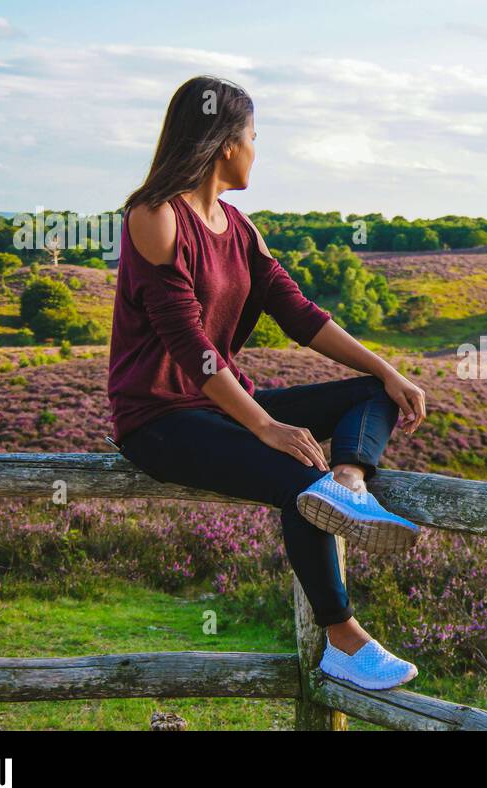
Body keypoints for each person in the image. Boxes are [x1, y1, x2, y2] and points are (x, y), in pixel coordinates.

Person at [106, 75, 427, 690]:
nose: (257, 149)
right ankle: (344, 642)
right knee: (299, 482)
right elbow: (189, 345)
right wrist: (265, 424)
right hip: (158, 420)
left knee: (367, 395)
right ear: (227, 142)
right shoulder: (154, 217)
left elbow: (301, 315)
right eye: (254, 137)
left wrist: (387, 370)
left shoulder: (240, 228)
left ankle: (349, 482)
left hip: (224, 406)